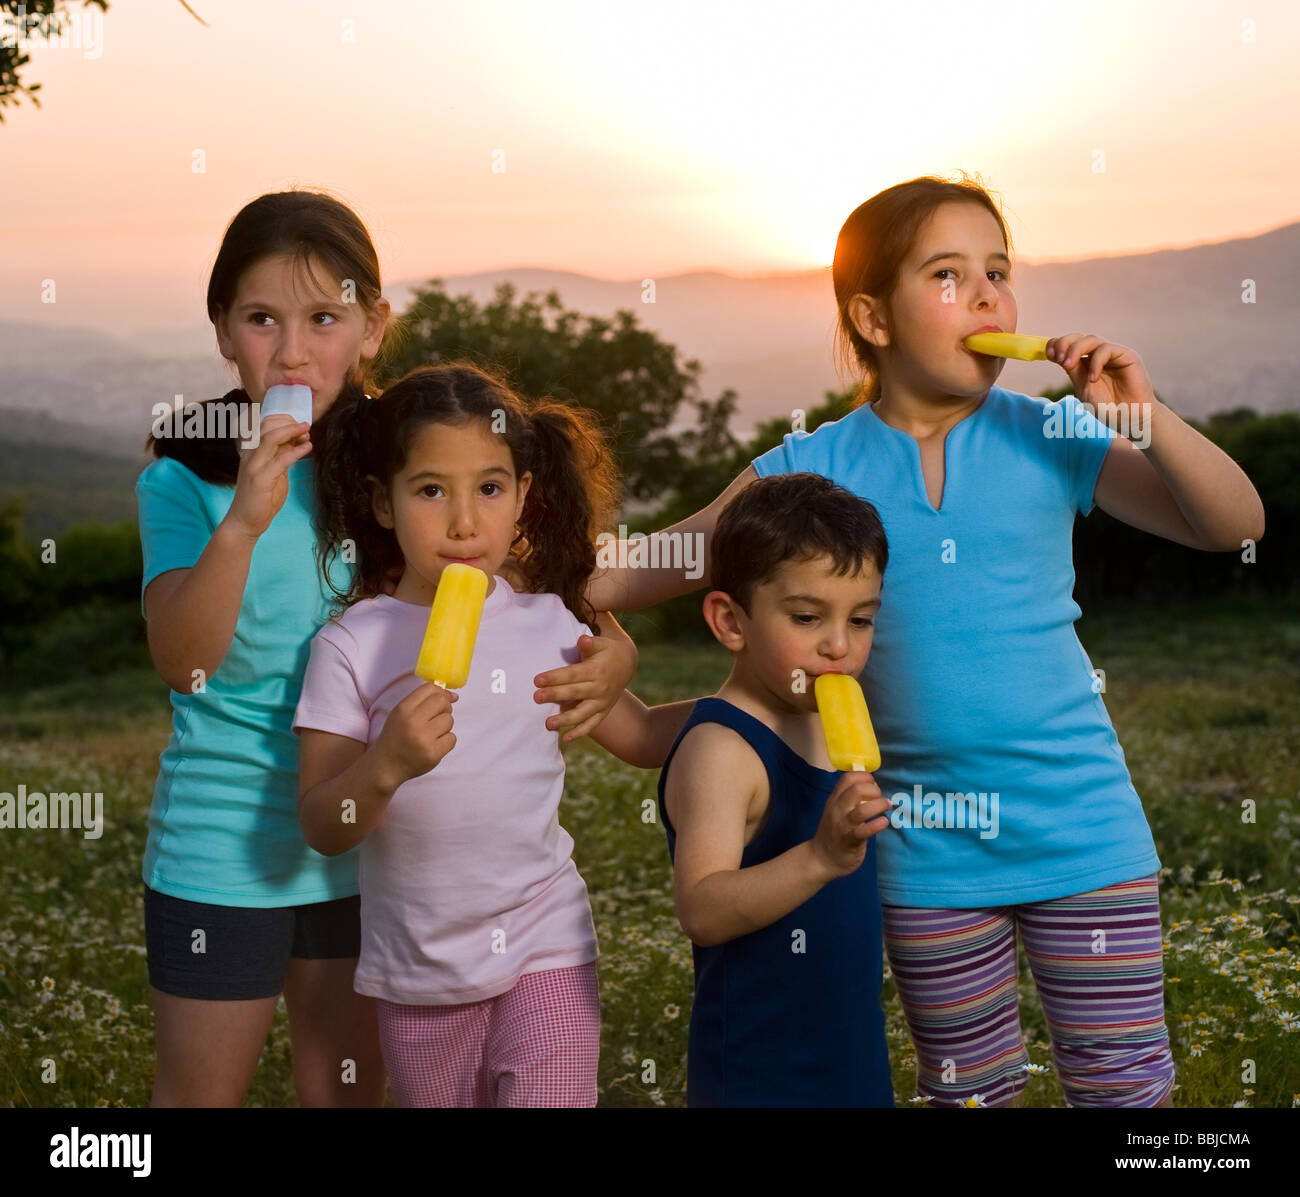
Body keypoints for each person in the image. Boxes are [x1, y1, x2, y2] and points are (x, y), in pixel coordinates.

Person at [549, 174, 1266, 1108]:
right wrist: (528, 584)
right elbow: (666, 560)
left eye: (999, 272)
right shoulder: (807, 464)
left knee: (1126, 1091)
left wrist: (1143, 417)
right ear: (872, 317)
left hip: (1083, 831)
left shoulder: (1056, 433)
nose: (986, 296)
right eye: (947, 274)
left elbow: (1233, 523)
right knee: (969, 1092)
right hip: (925, 848)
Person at [136, 191, 635, 1107]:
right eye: (261, 319)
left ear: (373, 327)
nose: (292, 351)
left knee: (349, 1093)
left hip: (381, 856)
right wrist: (244, 524)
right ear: (222, 333)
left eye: (325, 317)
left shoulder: (403, 457)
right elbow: (184, 660)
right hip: (224, 852)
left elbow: (530, 572)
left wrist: (619, 652)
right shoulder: (186, 477)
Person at [295, 360, 652, 1107]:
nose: (464, 522)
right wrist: (385, 764)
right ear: (382, 503)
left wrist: (755, 710)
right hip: (421, 969)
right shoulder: (351, 647)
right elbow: (326, 824)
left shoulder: (550, 621)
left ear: (523, 497)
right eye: (431, 490)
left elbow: (644, 737)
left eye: (489, 488)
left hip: (544, 937)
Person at [657, 472, 895, 1107]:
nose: (839, 646)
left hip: (850, 1057)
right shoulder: (721, 749)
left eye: (862, 619)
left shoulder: (825, 718)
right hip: (762, 1075)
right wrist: (819, 858)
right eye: (807, 617)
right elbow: (702, 911)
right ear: (731, 622)